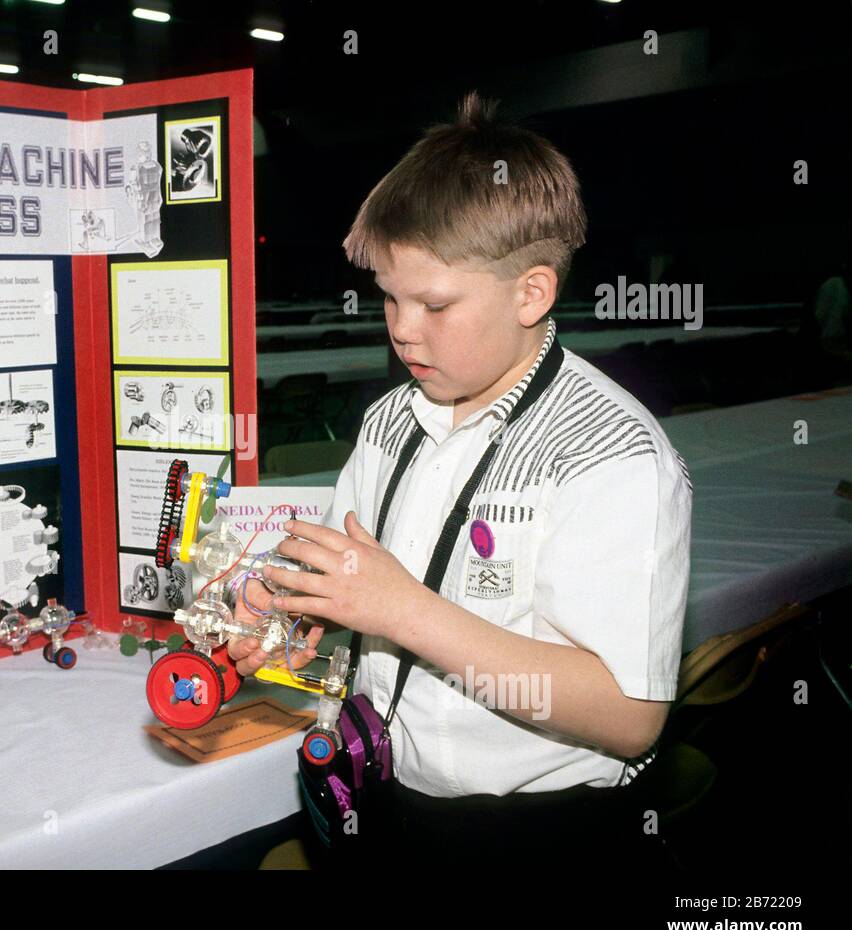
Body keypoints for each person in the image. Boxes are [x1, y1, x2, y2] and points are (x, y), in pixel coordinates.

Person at [229, 93, 692, 873]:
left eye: (434, 303)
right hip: (389, 802)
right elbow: (348, 600)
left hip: (543, 836)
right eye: (388, 296)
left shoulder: (611, 456)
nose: (403, 327)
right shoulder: (386, 424)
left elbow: (629, 714)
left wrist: (404, 610)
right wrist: (286, 621)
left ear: (531, 293)